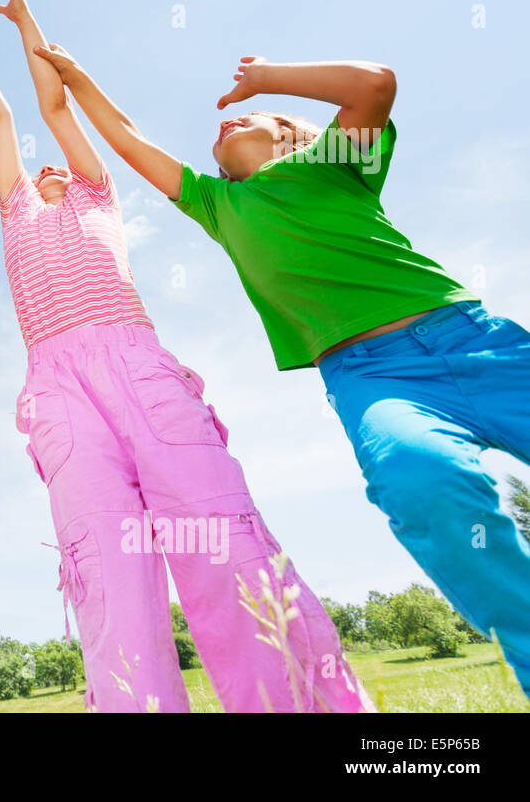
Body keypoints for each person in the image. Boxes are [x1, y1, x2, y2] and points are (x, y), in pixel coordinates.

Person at [0, 0, 370, 713]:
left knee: (218, 540)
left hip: (135, 362)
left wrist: (25, 16)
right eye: (43, 167)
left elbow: (54, 103)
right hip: (60, 391)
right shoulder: (14, 211)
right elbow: (3, 122)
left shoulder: (98, 191)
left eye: (63, 160)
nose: (53, 166)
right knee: (107, 570)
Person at [33, 34, 530, 701]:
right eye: (223, 123)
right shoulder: (218, 204)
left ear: (296, 137)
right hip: (373, 379)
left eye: (251, 118)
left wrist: (268, 78)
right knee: (417, 480)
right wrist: (80, 76)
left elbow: (373, 85)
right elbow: (125, 139)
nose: (225, 122)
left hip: (474, 343)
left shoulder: (335, 163)